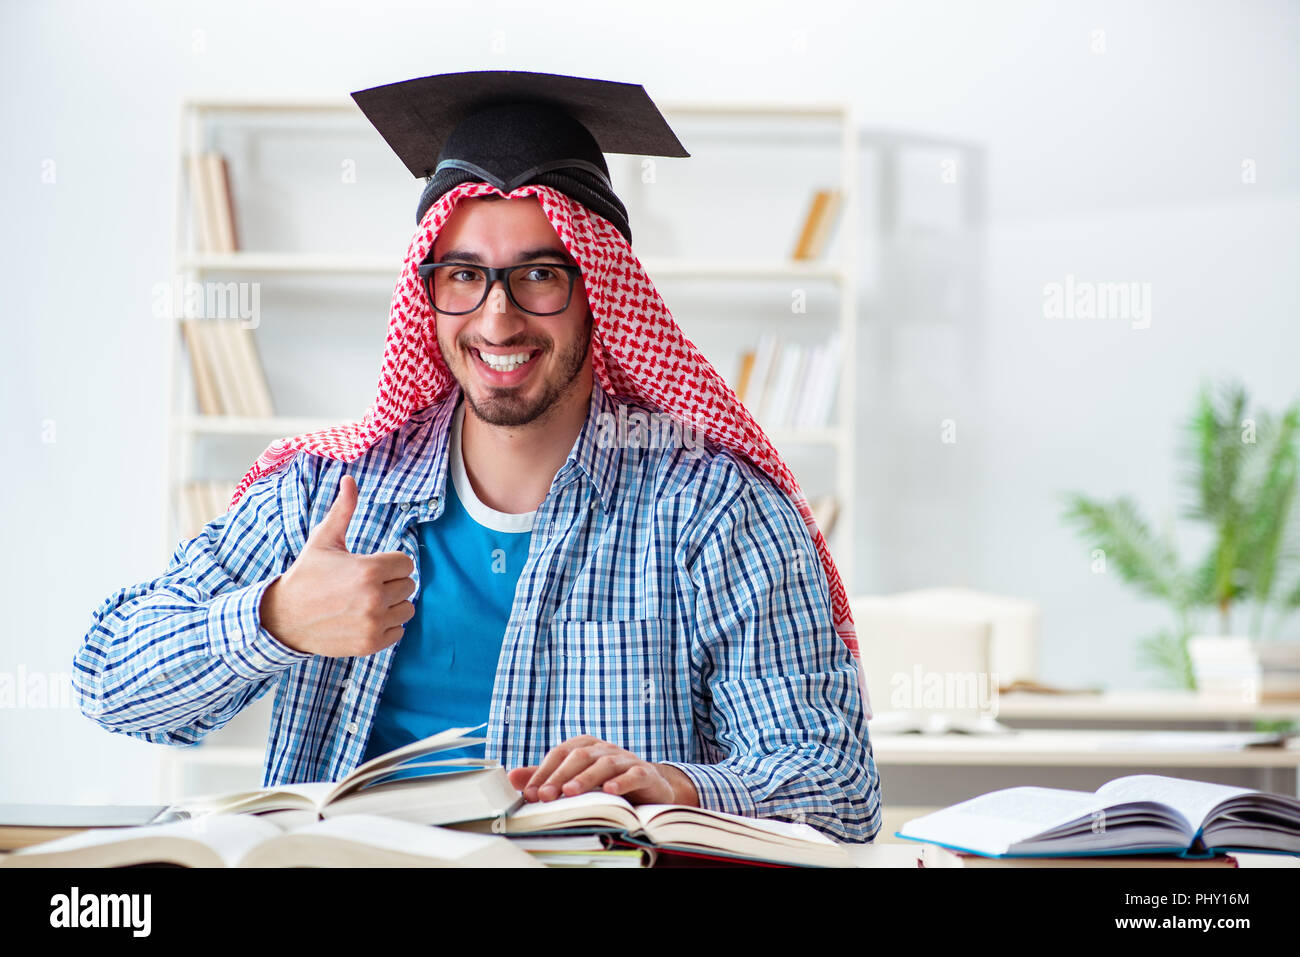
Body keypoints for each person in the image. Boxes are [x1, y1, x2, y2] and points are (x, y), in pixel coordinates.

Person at [74, 71, 881, 842]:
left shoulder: (719, 513)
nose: (497, 320)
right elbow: (107, 680)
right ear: (427, 293)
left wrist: (686, 787)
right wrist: (275, 619)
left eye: (538, 274)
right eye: (463, 275)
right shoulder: (324, 493)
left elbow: (839, 785)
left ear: (600, 288)